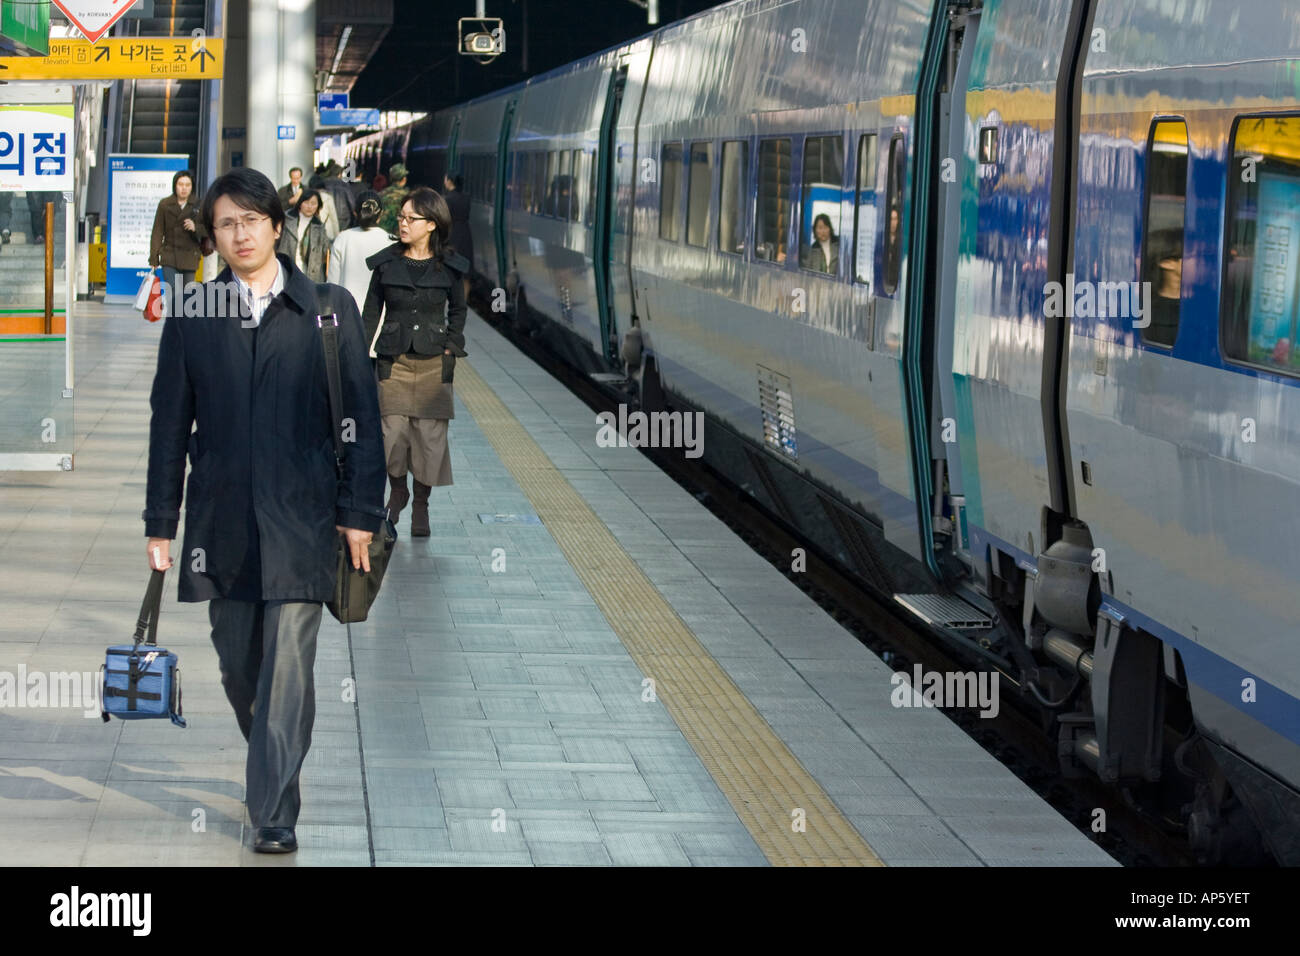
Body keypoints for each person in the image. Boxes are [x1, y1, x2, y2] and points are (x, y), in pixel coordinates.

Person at [143, 165, 385, 854]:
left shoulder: (328, 309)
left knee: (287, 668)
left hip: (304, 522)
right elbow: (168, 424)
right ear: (212, 237)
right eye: (227, 223)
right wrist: (161, 523)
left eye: (252, 220)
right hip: (221, 528)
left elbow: (363, 419)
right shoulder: (194, 313)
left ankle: (273, 810)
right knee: (237, 666)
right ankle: (271, 763)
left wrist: (360, 510)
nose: (241, 233)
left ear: (277, 226)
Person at [362, 187, 469, 536]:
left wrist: (452, 345)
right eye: (401, 217)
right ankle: (398, 490)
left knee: (429, 439)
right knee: (391, 434)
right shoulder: (386, 262)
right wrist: (361, 352)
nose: (403, 223)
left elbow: (459, 309)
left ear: (432, 224)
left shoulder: (450, 266)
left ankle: (421, 505)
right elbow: (370, 312)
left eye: (411, 218)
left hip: (435, 361)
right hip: (393, 360)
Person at [149, 170, 207, 317]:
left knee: (187, 295)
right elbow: (157, 232)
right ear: (175, 185)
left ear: (192, 186)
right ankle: (174, 324)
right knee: (173, 292)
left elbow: (209, 229)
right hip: (169, 255)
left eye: (187, 185)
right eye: (180, 184)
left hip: (190, 256)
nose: (184, 188)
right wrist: (154, 258)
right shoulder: (165, 204)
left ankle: (184, 326)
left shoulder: (199, 205)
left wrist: (196, 228)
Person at [329, 191, 391, 313]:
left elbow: (333, 283)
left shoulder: (343, 238)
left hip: (347, 311)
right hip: (380, 314)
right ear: (381, 214)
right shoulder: (391, 240)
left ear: (355, 213)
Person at [277, 188, 329, 282]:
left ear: (318, 206)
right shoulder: (286, 219)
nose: (309, 206)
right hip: (286, 270)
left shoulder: (320, 227)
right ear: (300, 203)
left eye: (313, 203)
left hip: (310, 276)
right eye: (306, 202)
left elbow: (325, 251)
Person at [443, 173, 473, 302]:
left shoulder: (447, 199)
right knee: (466, 271)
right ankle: (463, 301)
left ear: (449, 181)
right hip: (465, 233)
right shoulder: (467, 198)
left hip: (451, 234)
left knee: (449, 268)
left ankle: (449, 300)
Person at [377, 163, 410, 235]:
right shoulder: (408, 197)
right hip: (398, 235)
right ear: (404, 179)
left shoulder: (381, 194)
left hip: (381, 233)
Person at [307, 173, 340, 241]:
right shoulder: (327, 198)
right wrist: (336, 235)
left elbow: (334, 218)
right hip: (325, 232)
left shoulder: (308, 197)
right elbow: (334, 218)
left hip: (318, 232)